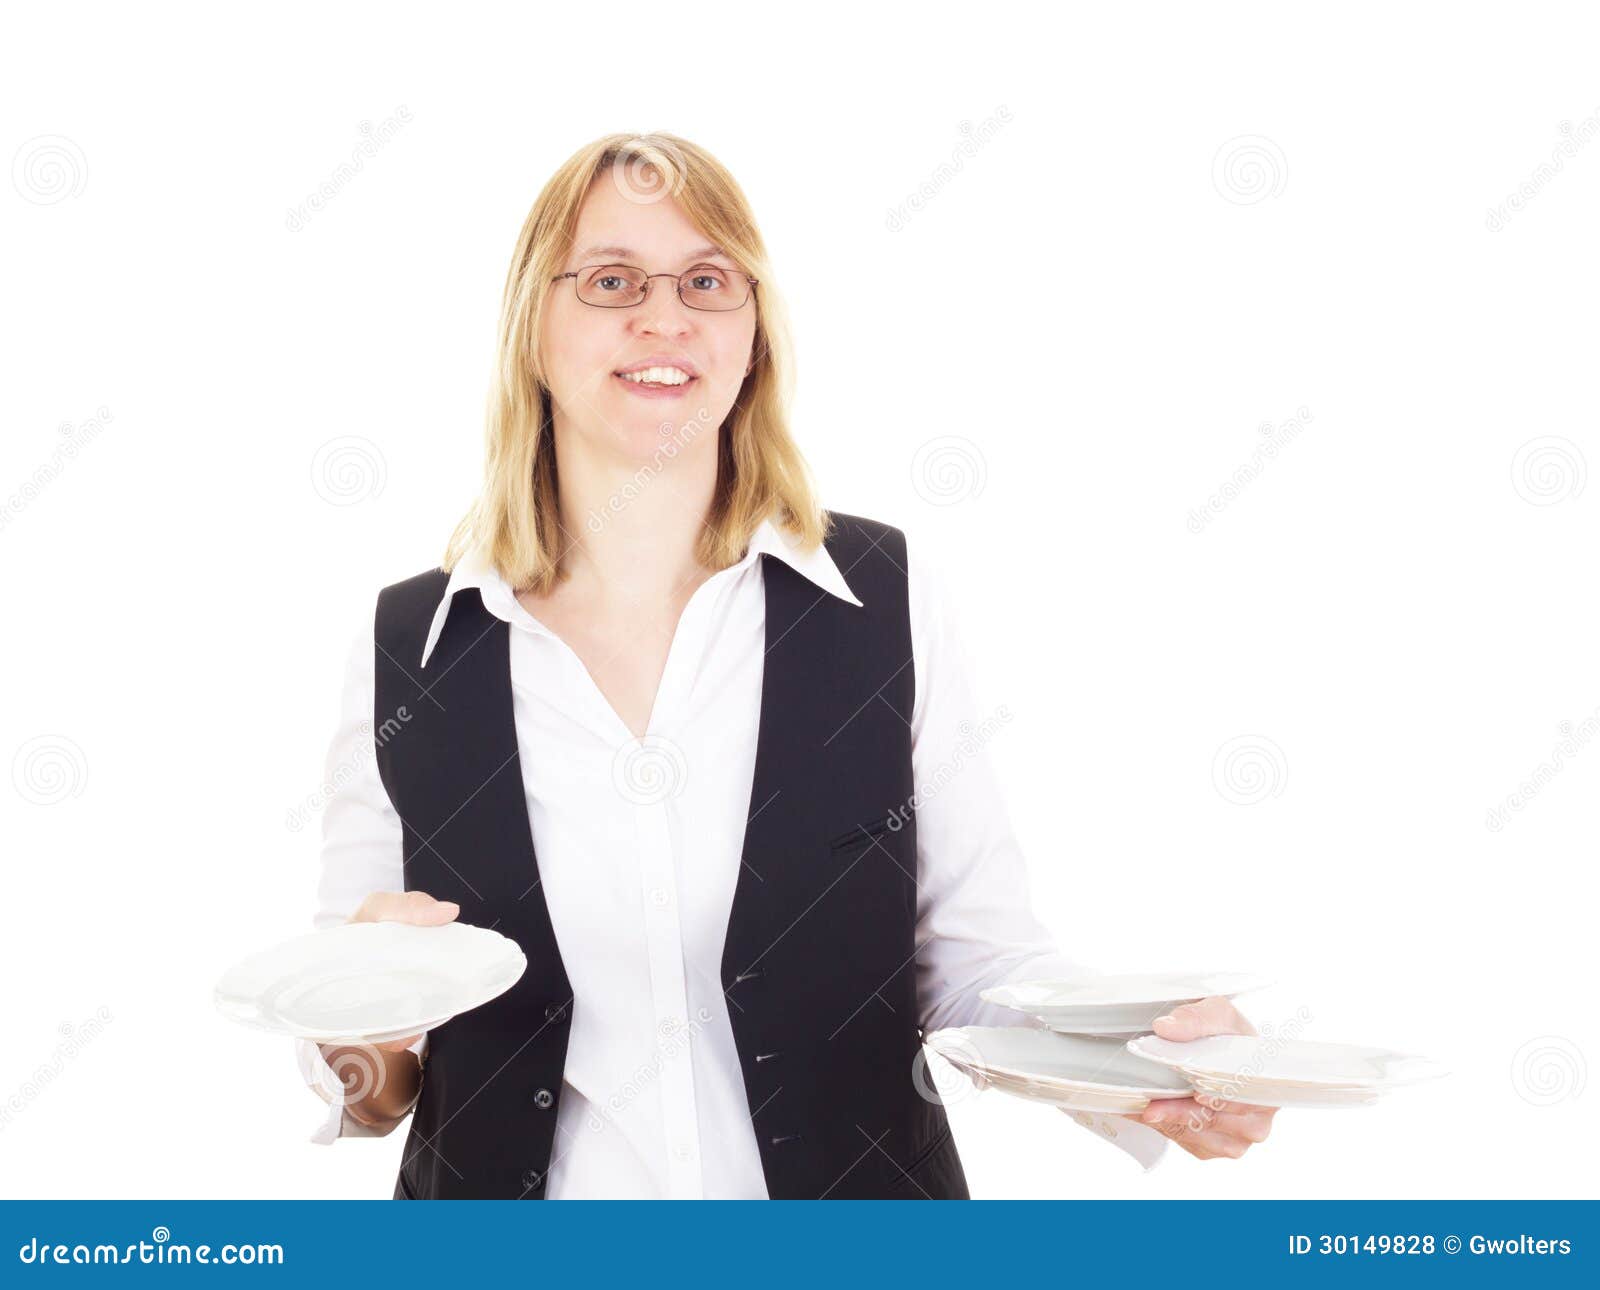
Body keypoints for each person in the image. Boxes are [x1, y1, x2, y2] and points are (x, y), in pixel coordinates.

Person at [297, 132, 1275, 1199]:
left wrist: (1146, 1059)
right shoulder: (412, 649)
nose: (663, 318)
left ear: (753, 332)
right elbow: (367, 1085)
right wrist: (364, 1009)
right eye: (612, 279)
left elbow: (974, 964)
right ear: (534, 325)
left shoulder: (882, 601)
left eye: (707, 281)